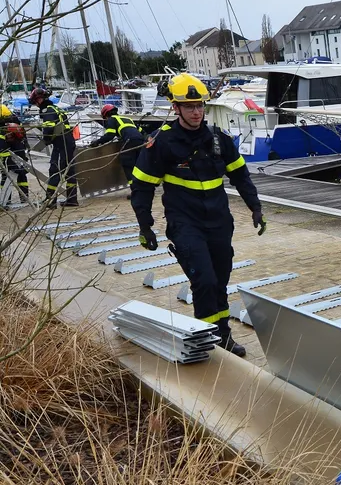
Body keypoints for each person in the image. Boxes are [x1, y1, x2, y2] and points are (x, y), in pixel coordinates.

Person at [130, 73, 267, 358]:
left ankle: (222, 335)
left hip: (219, 222)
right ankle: (209, 342)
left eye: (200, 105)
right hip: (185, 223)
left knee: (219, 280)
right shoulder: (162, 143)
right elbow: (142, 187)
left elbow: (240, 175)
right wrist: (145, 226)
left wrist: (255, 207)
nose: (196, 111)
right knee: (203, 280)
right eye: (189, 106)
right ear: (175, 107)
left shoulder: (218, 140)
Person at [28, 88, 78, 207]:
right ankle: (72, 199)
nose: (36, 104)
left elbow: (49, 127)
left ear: (39, 99)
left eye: (36, 102)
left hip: (61, 144)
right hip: (68, 142)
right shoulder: (56, 108)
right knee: (69, 171)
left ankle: (51, 201)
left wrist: (46, 140)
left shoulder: (48, 111)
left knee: (55, 171)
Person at [90, 103, 144, 197]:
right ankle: (143, 189)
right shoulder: (127, 119)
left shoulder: (112, 119)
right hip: (140, 141)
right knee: (138, 166)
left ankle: (136, 192)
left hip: (129, 141)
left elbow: (110, 135)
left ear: (106, 115)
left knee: (128, 166)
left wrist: (97, 142)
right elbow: (141, 131)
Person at [0, 104, 30, 205]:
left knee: (21, 172)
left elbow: (21, 133)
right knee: (7, 174)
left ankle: (24, 198)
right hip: (6, 148)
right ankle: (5, 200)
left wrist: (24, 145)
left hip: (16, 146)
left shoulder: (12, 118)